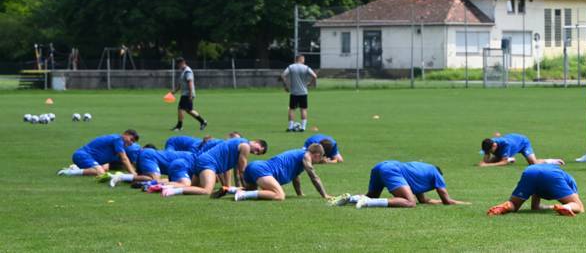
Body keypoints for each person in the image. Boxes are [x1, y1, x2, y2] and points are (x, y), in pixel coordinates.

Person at [220, 144, 332, 201]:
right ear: (317, 155)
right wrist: (324, 195)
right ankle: (242, 195)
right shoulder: (306, 156)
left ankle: (229, 189)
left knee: (253, 191)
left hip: (254, 167)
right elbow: (313, 176)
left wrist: (299, 193)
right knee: (279, 195)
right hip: (262, 170)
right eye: (319, 158)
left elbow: (295, 177)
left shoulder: (300, 155)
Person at [330, 161, 465, 208]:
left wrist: (437, 202)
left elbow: (424, 200)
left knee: (372, 195)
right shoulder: (437, 174)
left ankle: (350, 198)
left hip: (381, 166)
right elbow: (446, 200)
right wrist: (464, 203)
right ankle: (367, 203)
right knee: (409, 202)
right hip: (392, 169)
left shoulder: (423, 172)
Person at [161, 137, 267, 197]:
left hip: (202, 160)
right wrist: (248, 188)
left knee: (192, 188)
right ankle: (174, 191)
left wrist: (240, 187)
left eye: (258, 154)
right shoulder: (245, 146)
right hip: (208, 163)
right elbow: (242, 170)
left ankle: (167, 186)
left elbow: (237, 171)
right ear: (255, 141)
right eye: (258, 149)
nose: (256, 153)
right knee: (207, 190)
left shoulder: (240, 142)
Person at [486, 164, 584, 217]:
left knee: (514, 204)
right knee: (578, 206)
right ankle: (567, 207)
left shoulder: (542, 185)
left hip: (530, 170)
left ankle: (506, 206)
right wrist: (565, 205)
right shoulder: (571, 181)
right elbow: (580, 207)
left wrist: (551, 207)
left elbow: (535, 207)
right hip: (552, 174)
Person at [58, 130, 140, 177]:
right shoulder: (118, 140)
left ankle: (75, 168)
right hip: (84, 155)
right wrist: (133, 174)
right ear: (125, 134)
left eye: (133, 142)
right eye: (131, 139)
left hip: (87, 157)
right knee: (101, 173)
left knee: (103, 169)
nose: (131, 143)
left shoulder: (118, 142)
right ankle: (68, 172)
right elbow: (124, 159)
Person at [479, 133, 563, 167]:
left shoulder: (505, 144)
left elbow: (503, 163)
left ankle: (552, 161)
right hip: (512, 141)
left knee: (533, 163)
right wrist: (486, 160)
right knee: (494, 159)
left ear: (494, 145)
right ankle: (510, 158)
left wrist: (486, 165)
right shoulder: (490, 143)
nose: (489, 153)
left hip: (522, 142)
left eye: (490, 151)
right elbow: (486, 159)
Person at [171, 57, 208, 132]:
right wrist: (174, 91)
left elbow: (190, 82)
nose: (178, 66)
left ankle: (179, 126)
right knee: (189, 110)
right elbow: (181, 84)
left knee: (181, 108)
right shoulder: (183, 71)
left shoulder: (188, 71)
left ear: (183, 62)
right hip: (186, 93)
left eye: (179, 64)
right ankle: (203, 122)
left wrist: (190, 94)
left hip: (187, 94)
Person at [282, 54, 318, 132]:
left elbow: (283, 75)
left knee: (291, 109)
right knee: (303, 109)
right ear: (301, 59)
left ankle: (290, 127)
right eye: (303, 59)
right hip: (303, 92)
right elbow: (315, 76)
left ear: (296, 60)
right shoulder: (306, 67)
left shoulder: (291, 67)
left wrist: (286, 86)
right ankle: (303, 127)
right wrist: (311, 83)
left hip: (294, 92)